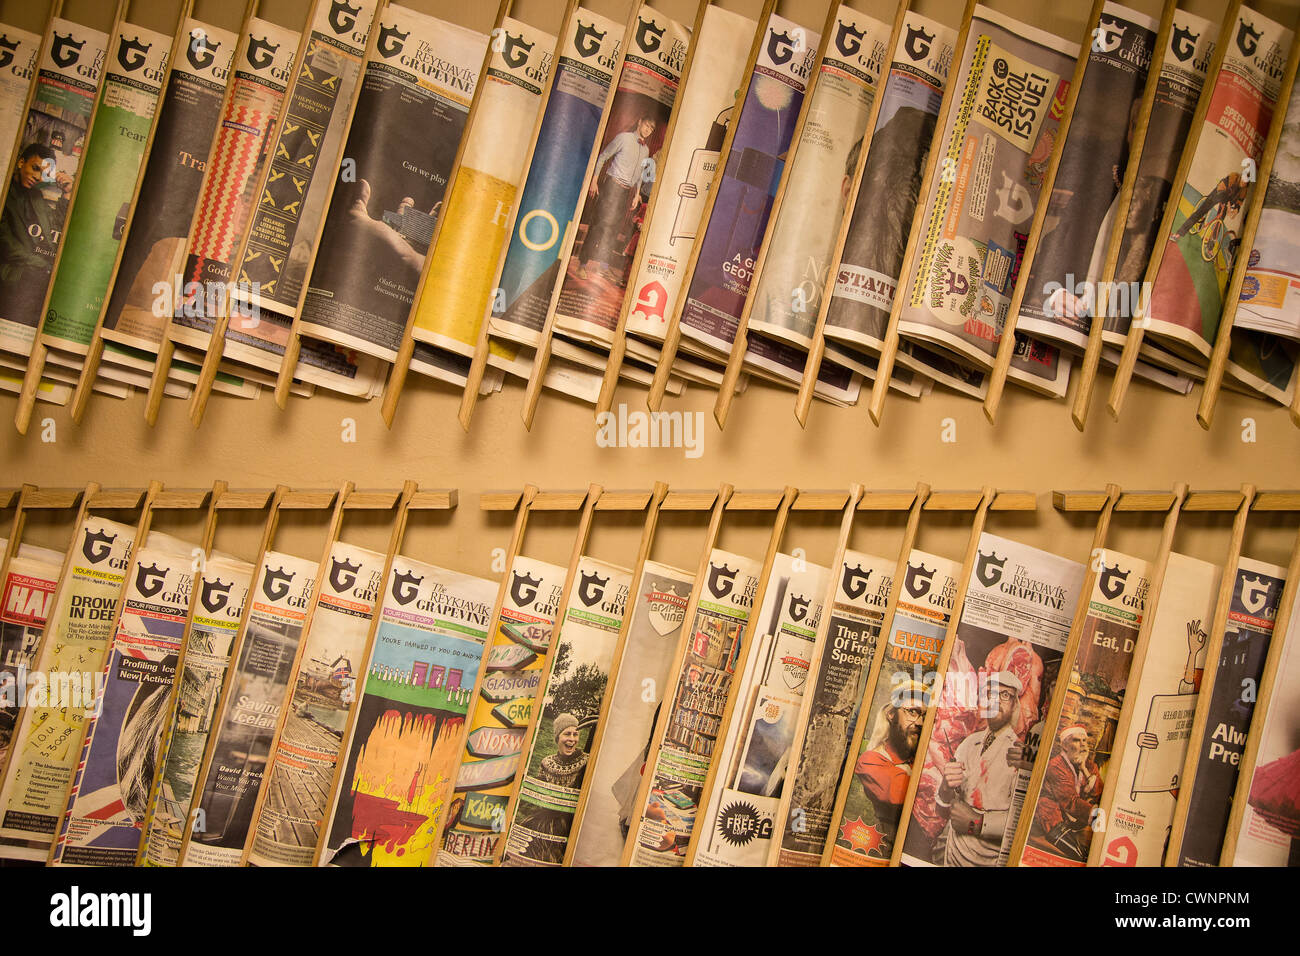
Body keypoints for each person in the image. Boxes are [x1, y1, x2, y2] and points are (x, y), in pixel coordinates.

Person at [935, 670, 1023, 867]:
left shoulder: (1020, 755)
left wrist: (978, 823)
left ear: (1015, 704)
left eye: (1005, 695)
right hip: (952, 855)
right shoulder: (969, 743)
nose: (996, 701)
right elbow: (941, 811)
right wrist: (946, 788)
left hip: (986, 861)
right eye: (991, 694)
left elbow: (1022, 824)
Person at [577, 113, 657, 281]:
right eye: (646, 125)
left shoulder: (646, 150)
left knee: (613, 230)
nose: (648, 130)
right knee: (599, 226)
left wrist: (636, 195)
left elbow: (640, 175)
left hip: (626, 192)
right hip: (611, 186)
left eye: (651, 128)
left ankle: (603, 266)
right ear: (640, 121)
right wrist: (594, 181)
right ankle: (582, 265)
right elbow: (603, 157)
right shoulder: (624, 138)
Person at [854, 679, 928, 849]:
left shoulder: (915, 756)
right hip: (886, 847)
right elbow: (899, 792)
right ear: (891, 714)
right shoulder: (869, 761)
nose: (919, 723)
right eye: (912, 712)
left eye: (924, 715)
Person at [0, 142, 69, 310]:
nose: (38, 177)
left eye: (43, 174)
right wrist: (44, 265)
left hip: (37, 266)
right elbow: (7, 246)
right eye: (35, 168)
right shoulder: (4, 191)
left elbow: (53, 226)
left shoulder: (36, 195)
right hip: (13, 270)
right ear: (21, 163)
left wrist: (67, 194)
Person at [1033, 723, 1102, 860]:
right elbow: (1069, 801)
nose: (1083, 745)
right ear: (1065, 746)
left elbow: (1099, 793)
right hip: (1059, 816)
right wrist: (1097, 817)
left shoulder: (1089, 765)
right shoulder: (1055, 765)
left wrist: (1085, 770)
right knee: (1045, 805)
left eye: (1084, 741)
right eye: (1076, 740)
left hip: (1076, 818)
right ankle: (1079, 854)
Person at [1170, 170, 1247, 241]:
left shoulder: (1244, 190)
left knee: (1219, 222)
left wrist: (1235, 211)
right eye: (1243, 180)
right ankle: (1178, 234)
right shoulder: (1232, 178)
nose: (1244, 183)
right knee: (1201, 211)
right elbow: (1220, 189)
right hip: (1218, 194)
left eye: (1246, 182)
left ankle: (1210, 247)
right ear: (1241, 177)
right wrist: (1228, 205)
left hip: (1227, 202)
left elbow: (1239, 203)